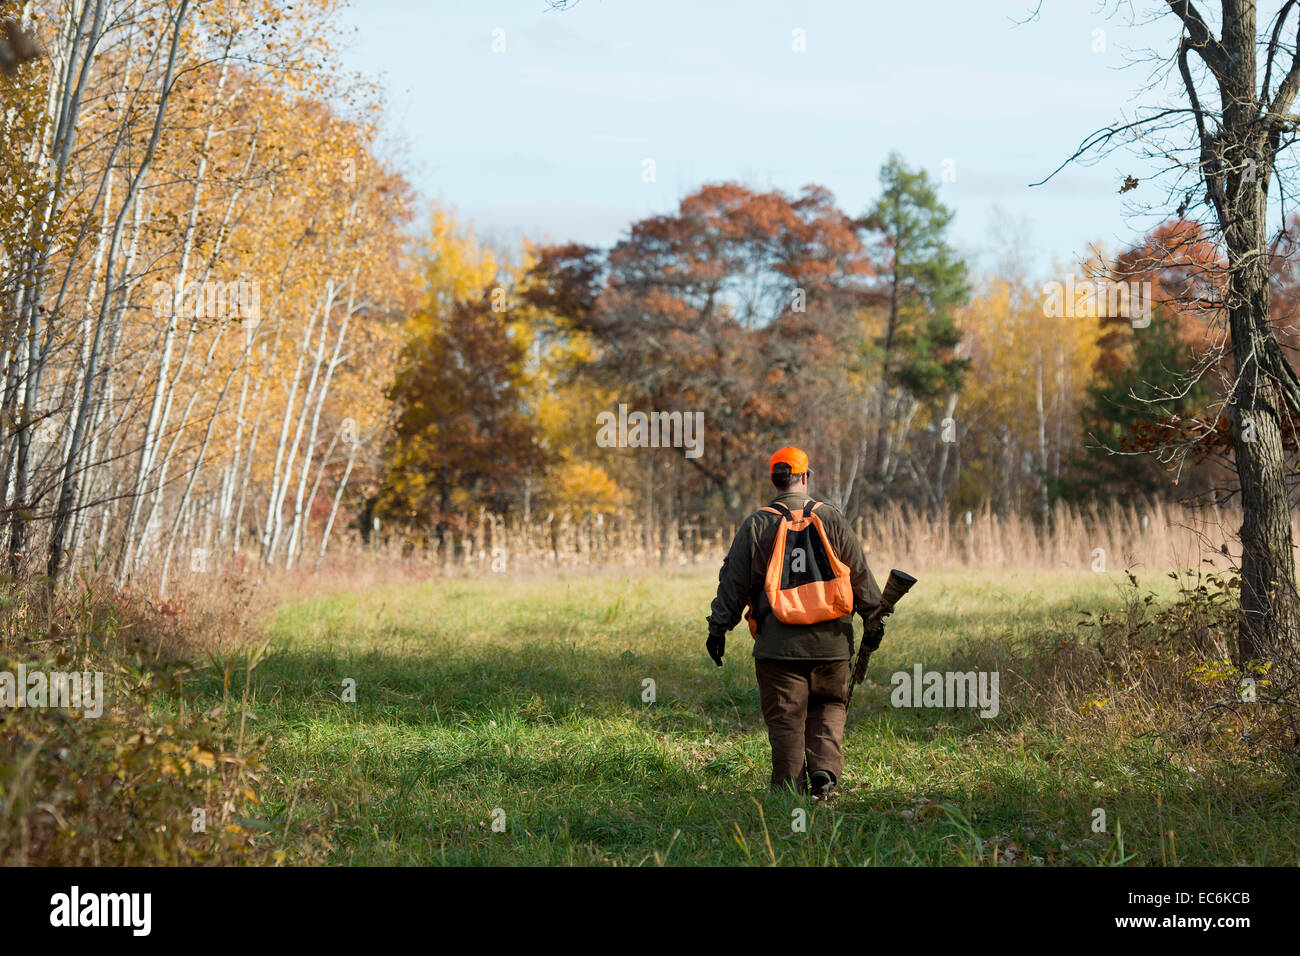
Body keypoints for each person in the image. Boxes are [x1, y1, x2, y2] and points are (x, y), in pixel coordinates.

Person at [705, 447, 883, 799]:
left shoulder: (758, 523)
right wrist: (873, 618)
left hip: (778, 647)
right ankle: (824, 773)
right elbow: (859, 572)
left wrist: (718, 628)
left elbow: (734, 583)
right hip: (832, 645)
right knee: (829, 707)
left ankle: (787, 791)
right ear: (805, 477)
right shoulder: (831, 517)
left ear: (775, 480)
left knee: (786, 720)